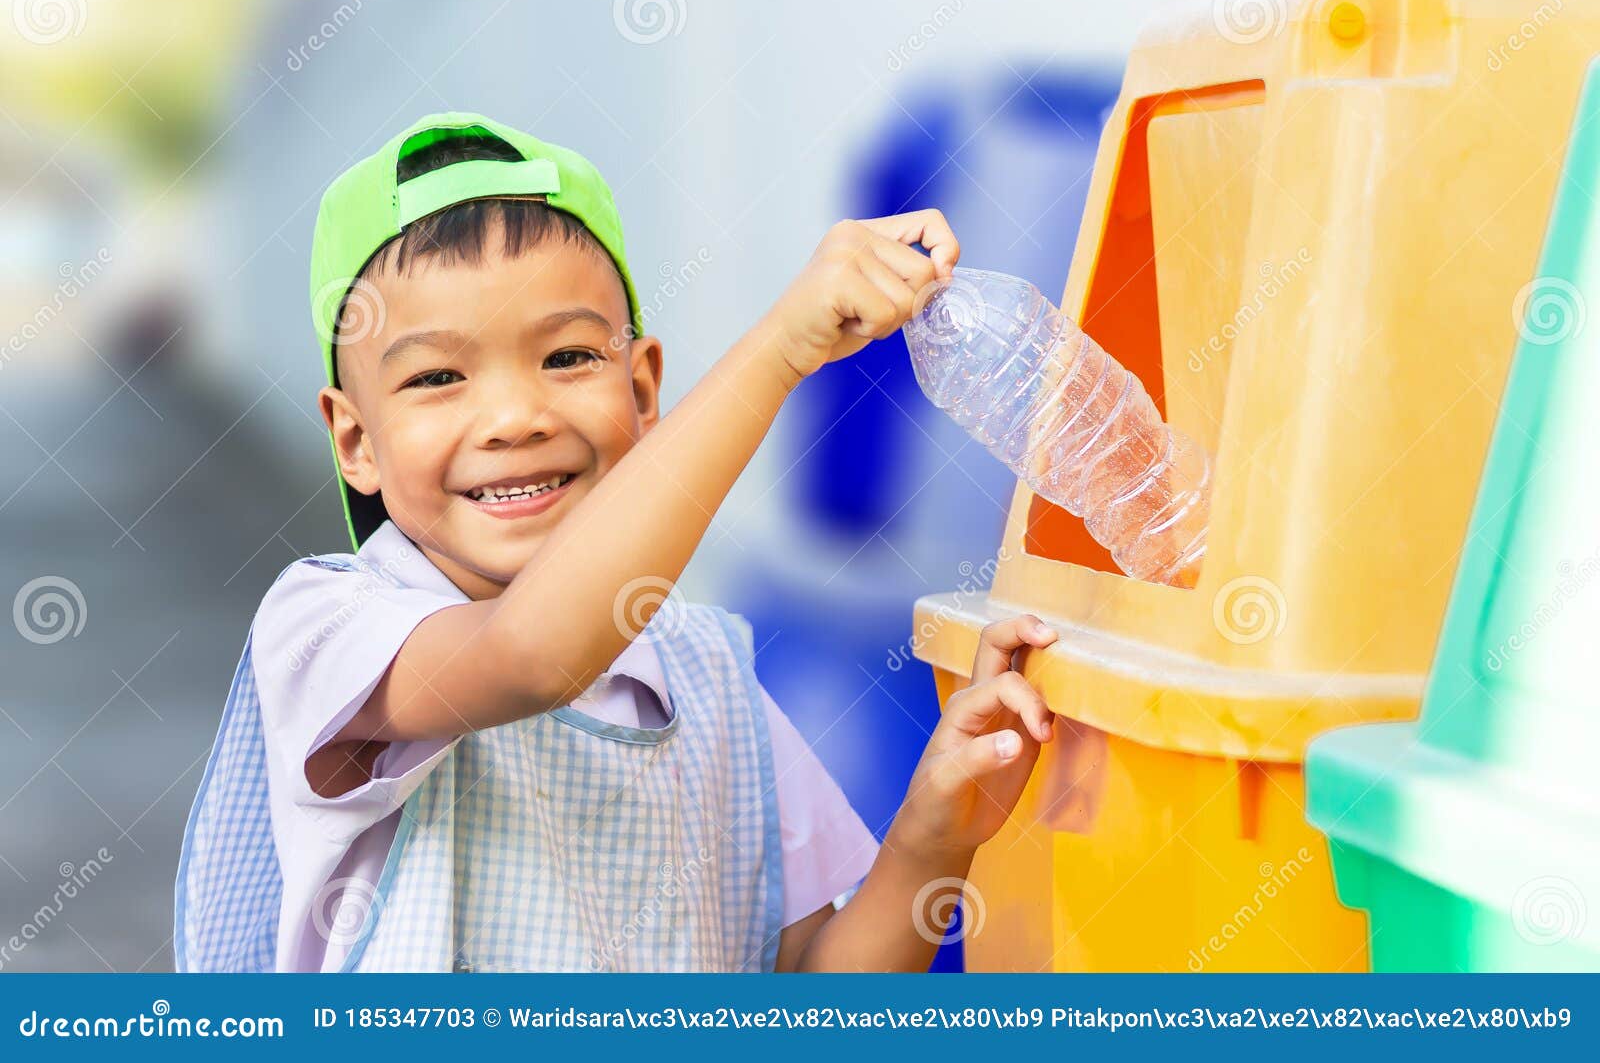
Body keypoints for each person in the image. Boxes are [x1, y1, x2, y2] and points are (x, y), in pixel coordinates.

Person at [175, 112, 1058, 972]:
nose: (516, 418)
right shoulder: (328, 627)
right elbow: (529, 653)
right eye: (437, 376)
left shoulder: (710, 676)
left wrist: (929, 835)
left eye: (567, 358)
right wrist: (781, 348)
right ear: (355, 440)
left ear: (643, 391)